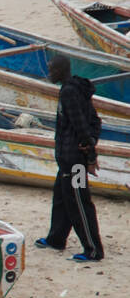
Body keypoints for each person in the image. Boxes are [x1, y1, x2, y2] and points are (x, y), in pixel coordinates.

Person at [36, 53, 104, 261]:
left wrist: (90, 155)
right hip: (67, 160)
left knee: (79, 203)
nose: (49, 73)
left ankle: (93, 250)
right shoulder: (74, 90)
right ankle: (56, 239)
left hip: (74, 161)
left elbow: (82, 126)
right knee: (61, 199)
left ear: (61, 71)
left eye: (51, 70)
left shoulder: (69, 94)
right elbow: (95, 121)